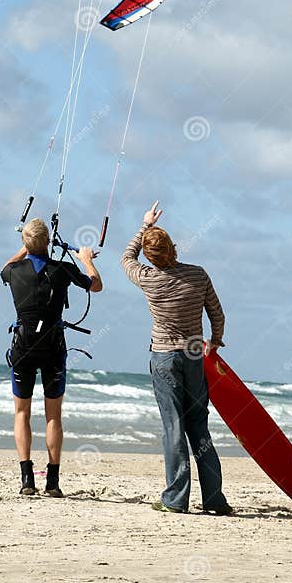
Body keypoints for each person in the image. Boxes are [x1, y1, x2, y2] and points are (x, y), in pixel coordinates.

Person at [121, 201, 232, 515]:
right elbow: (217, 314)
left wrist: (144, 224)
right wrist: (216, 341)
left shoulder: (148, 278)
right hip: (194, 356)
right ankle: (214, 500)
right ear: (173, 247)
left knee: (173, 427)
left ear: (149, 256)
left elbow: (126, 257)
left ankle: (175, 499)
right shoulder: (197, 275)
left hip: (164, 357)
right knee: (199, 427)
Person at [1, 217, 103, 496]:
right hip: (52, 348)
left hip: (23, 347)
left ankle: (27, 479)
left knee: (21, 412)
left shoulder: (13, 270)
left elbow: (5, 266)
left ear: (24, 243)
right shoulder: (62, 269)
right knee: (53, 416)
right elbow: (95, 285)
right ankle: (53, 482)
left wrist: (28, 246)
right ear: (48, 242)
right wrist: (86, 259)